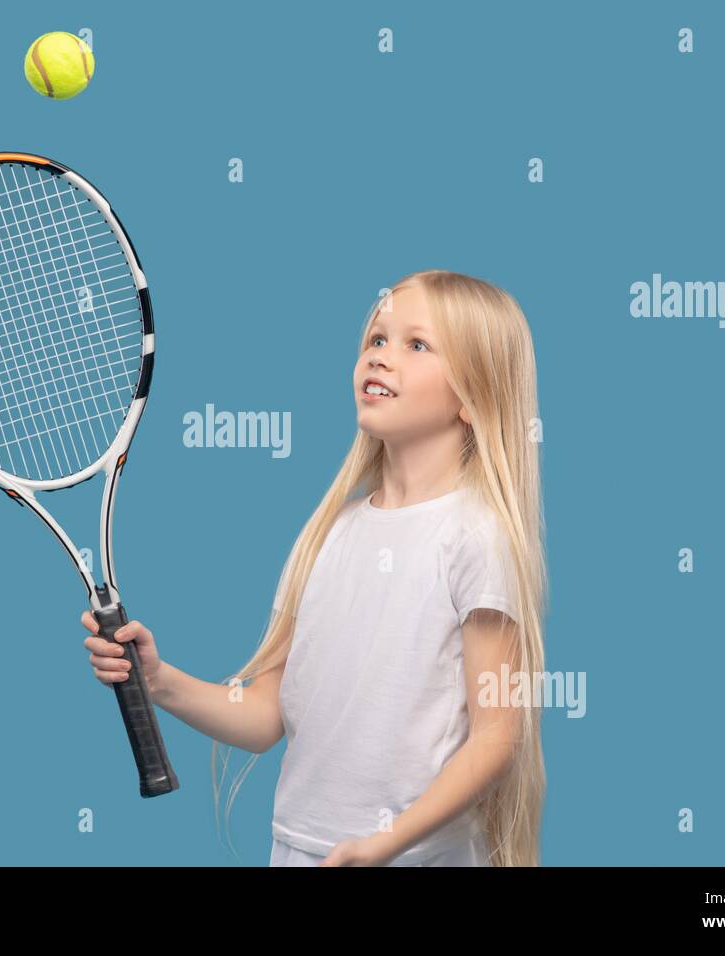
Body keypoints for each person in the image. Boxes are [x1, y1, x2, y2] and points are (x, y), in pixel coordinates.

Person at [83, 270, 548, 866]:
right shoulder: (329, 534)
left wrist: (381, 846)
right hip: (300, 852)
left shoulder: (475, 539)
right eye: (377, 340)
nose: (380, 358)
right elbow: (265, 715)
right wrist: (159, 680)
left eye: (417, 345)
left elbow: (497, 739)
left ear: (471, 397)